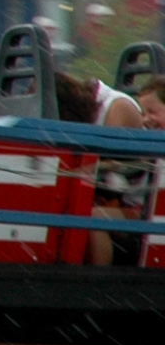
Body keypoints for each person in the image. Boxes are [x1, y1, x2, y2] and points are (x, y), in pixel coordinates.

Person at [55, 64, 150, 268]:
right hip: (112, 199)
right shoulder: (86, 114)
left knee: (91, 216)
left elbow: (117, 179)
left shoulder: (116, 108)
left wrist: (82, 172)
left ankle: (98, 282)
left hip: (139, 205)